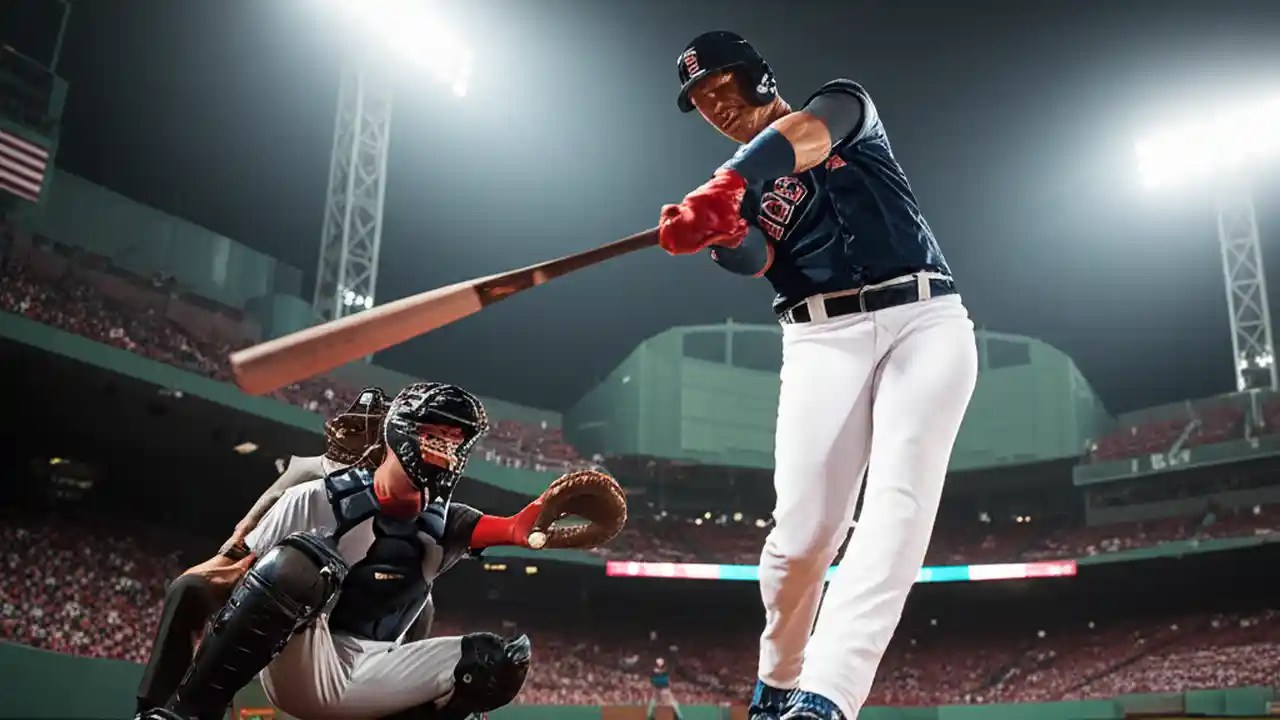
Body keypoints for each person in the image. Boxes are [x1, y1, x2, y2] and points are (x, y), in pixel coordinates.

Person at [661, 31, 979, 720]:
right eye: (701, 101)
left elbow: (809, 133)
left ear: (759, 76)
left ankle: (827, 697)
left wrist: (728, 183)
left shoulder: (839, 104)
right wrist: (715, 232)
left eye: (722, 88)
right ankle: (777, 683)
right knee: (802, 537)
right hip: (818, 339)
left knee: (896, 507)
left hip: (924, 319)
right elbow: (755, 260)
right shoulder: (736, 187)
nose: (714, 107)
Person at [138, 382, 563, 720]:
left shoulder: (447, 521)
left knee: (493, 660)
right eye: (435, 433)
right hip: (308, 655)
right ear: (401, 433)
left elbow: (512, 529)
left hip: (378, 664)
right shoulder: (313, 494)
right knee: (297, 565)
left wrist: (543, 523)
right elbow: (237, 572)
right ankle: (188, 716)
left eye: (454, 438)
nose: (445, 446)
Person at [136, 387, 394, 716]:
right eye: (353, 425)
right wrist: (223, 561)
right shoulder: (309, 473)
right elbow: (247, 534)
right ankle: (158, 709)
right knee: (189, 588)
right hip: (273, 586)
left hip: (339, 617)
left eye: (363, 429)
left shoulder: (401, 500)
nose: (350, 433)